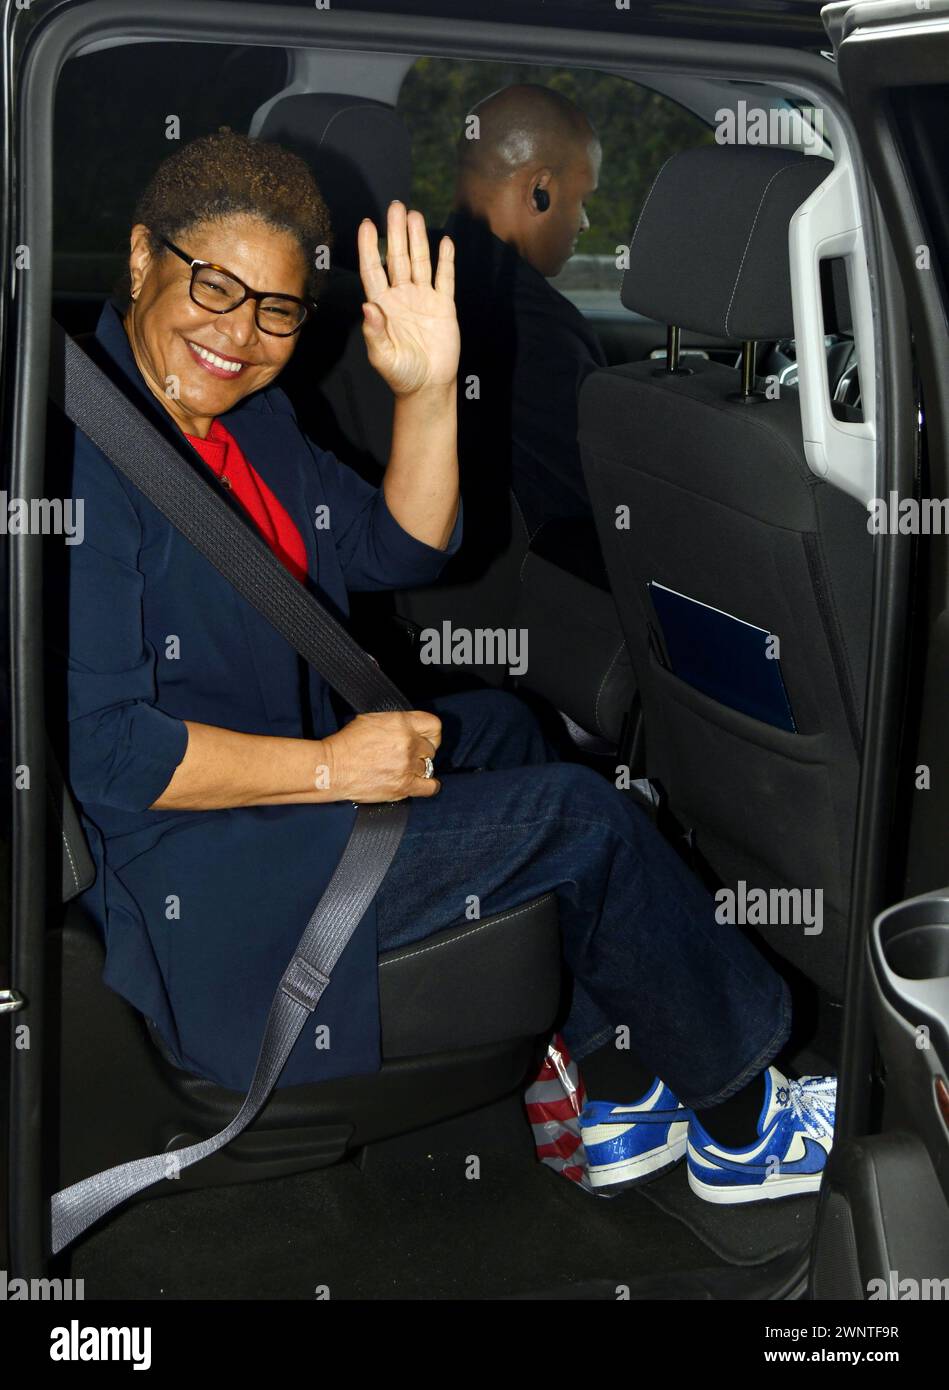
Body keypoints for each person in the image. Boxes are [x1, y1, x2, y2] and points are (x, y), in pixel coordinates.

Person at [50, 129, 835, 1206]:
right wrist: (335, 769)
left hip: (262, 811)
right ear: (142, 258)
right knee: (576, 816)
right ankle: (744, 1126)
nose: (240, 333)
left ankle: (613, 1083)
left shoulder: (243, 415)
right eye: (216, 286)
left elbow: (398, 547)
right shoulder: (86, 464)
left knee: (503, 730)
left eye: (277, 308)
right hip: (200, 877)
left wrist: (428, 387)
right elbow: (107, 756)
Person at [443, 84, 607, 542]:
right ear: (540, 192)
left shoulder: (415, 279)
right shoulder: (536, 330)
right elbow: (591, 502)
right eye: (584, 199)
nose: (585, 222)